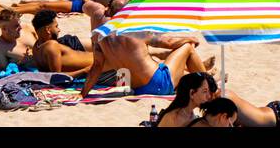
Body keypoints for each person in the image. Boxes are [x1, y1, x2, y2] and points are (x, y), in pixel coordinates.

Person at [79, 17, 211, 99]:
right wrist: (190, 38)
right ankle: (210, 88)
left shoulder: (100, 37)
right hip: (158, 84)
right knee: (188, 47)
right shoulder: (135, 31)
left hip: (135, 88)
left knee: (162, 64)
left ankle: (204, 74)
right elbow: (170, 42)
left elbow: (96, 67)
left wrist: (82, 94)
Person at [30, 9, 95, 75]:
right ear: (48, 30)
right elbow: (58, 77)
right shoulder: (51, 46)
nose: (59, 30)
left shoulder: (35, 48)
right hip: (99, 67)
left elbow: (45, 74)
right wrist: (85, 70)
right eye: (56, 26)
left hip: (97, 61)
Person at [153, 72, 218, 127]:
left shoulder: (188, 114)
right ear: (192, 93)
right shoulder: (175, 118)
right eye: (205, 91)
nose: (209, 96)